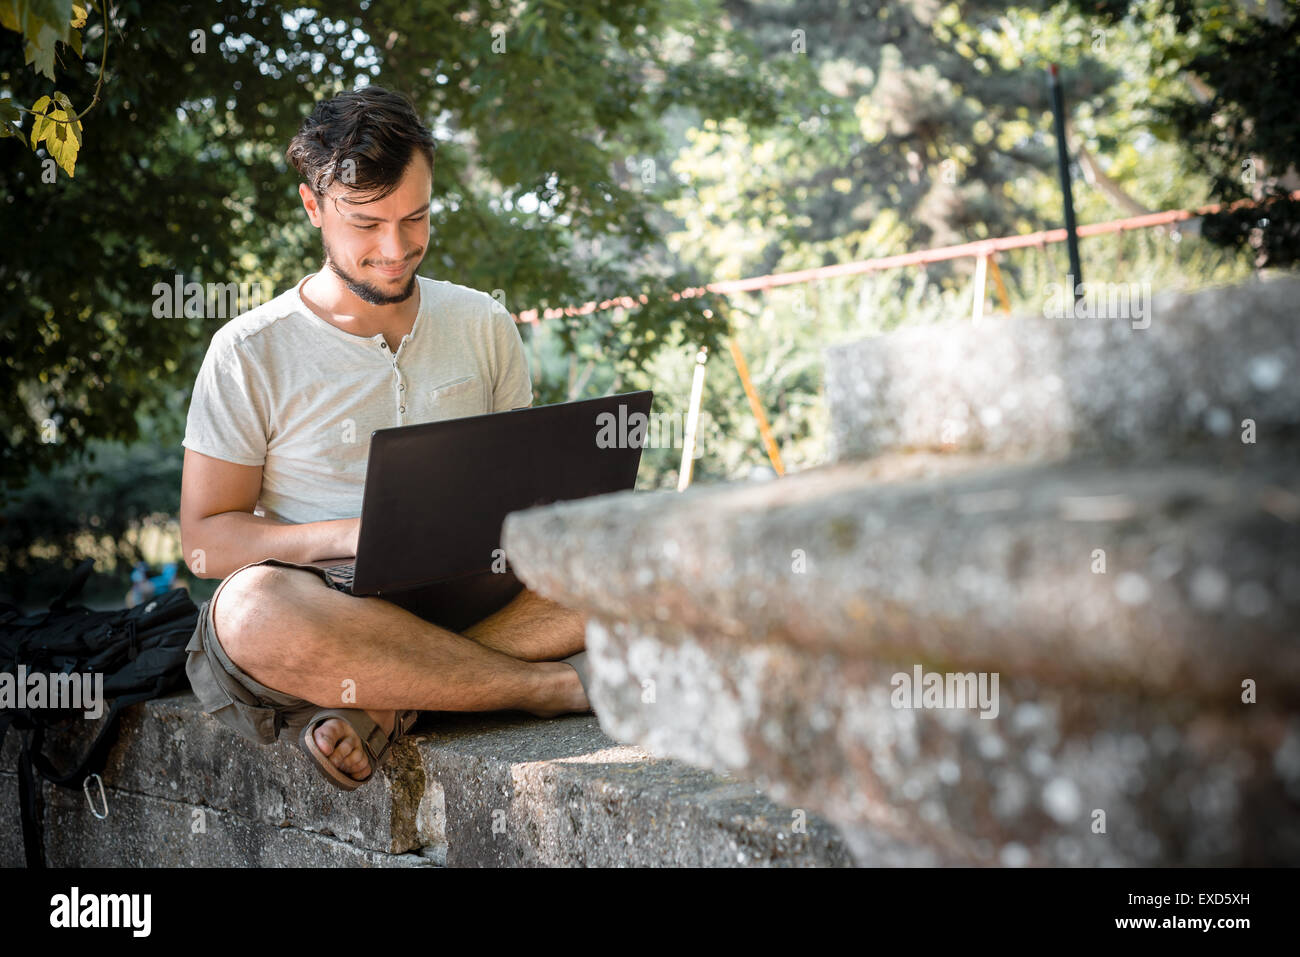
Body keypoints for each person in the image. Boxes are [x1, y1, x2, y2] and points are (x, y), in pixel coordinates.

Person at [179, 87, 591, 792]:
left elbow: (523, 495)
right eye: (366, 224)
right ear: (313, 208)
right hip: (331, 603)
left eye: (416, 217)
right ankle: (541, 686)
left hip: (476, 589)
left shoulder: (483, 322)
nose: (395, 250)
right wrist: (348, 535)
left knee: (639, 545)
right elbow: (206, 541)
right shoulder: (249, 350)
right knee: (249, 612)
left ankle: (387, 698)